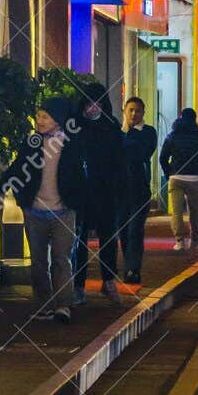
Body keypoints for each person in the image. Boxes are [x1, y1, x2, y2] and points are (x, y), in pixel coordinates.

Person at [2, 96, 87, 324]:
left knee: (62, 259)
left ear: (58, 120)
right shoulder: (32, 142)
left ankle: (63, 306)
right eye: (39, 115)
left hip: (64, 211)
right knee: (38, 262)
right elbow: (18, 168)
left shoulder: (71, 144)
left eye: (45, 116)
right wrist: (8, 188)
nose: (39, 120)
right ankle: (44, 305)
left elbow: (81, 177)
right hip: (35, 211)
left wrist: (80, 206)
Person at [73, 83, 124, 305]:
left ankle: (109, 281)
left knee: (108, 238)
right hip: (81, 191)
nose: (93, 108)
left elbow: (119, 162)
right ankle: (78, 285)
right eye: (89, 104)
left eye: (97, 103)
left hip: (106, 191)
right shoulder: (74, 127)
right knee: (79, 240)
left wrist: (118, 187)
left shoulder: (111, 127)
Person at [120, 97, 157, 285]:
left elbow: (141, 152)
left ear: (143, 113)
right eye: (131, 110)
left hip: (140, 190)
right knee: (124, 231)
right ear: (124, 111)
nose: (134, 114)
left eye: (138, 111)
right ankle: (128, 266)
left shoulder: (148, 132)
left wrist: (130, 133)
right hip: (119, 192)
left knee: (135, 229)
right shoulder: (118, 134)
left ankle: (133, 269)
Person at [160, 107, 198, 251]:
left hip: (176, 177)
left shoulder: (172, 136)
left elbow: (163, 157)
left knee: (177, 211)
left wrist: (169, 173)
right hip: (194, 178)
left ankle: (179, 240)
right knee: (194, 210)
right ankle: (194, 236)